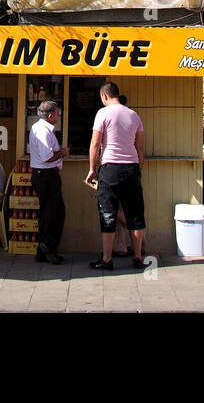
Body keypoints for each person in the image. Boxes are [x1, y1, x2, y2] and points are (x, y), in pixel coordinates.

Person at [86, 81, 146, 269]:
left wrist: (92, 169)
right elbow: (140, 148)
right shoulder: (134, 116)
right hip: (131, 169)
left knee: (108, 214)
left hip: (110, 168)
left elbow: (95, 144)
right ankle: (137, 258)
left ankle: (106, 259)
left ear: (104, 96)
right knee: (135, 215)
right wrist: (138, 168)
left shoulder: (102, 113)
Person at [28, 100, 68, 264]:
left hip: (44, 174)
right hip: (45, 175)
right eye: (57, 114)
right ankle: (47, 246)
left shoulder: (40, 128)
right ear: (51, 116)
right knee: (53, 213)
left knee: (50, 211)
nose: (59, 116)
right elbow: (47, 158)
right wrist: (63, 153)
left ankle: (44, 249)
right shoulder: (43, 131)